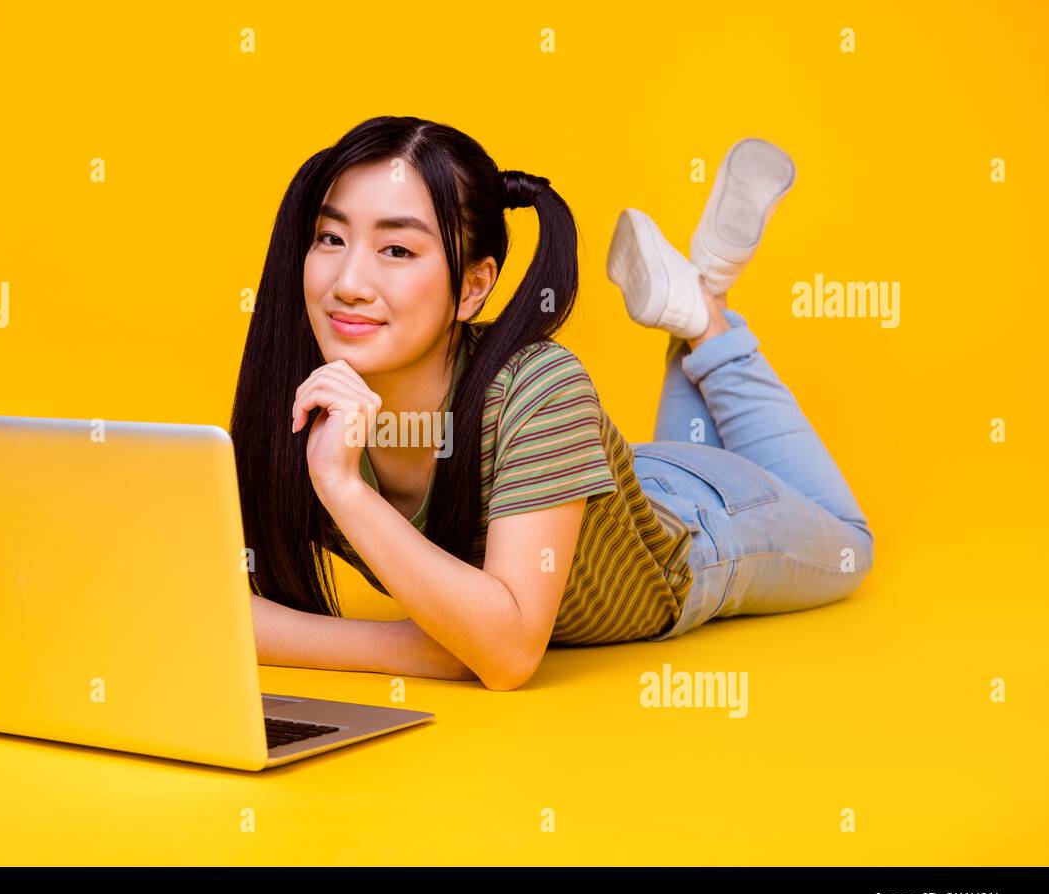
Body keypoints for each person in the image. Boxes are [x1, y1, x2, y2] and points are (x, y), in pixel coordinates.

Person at [229, 117, 873, 690]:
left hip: (704, 531)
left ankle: (706, 318)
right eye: (330, 239)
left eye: (396, 249)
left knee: (851, 546)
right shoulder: (307, 400)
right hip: (581, 493)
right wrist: (422, 645)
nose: (348, 284)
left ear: (474, 287)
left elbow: (504, 654)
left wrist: (343, 490)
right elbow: (214, 605)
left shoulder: (541, 386)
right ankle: (694, 300)